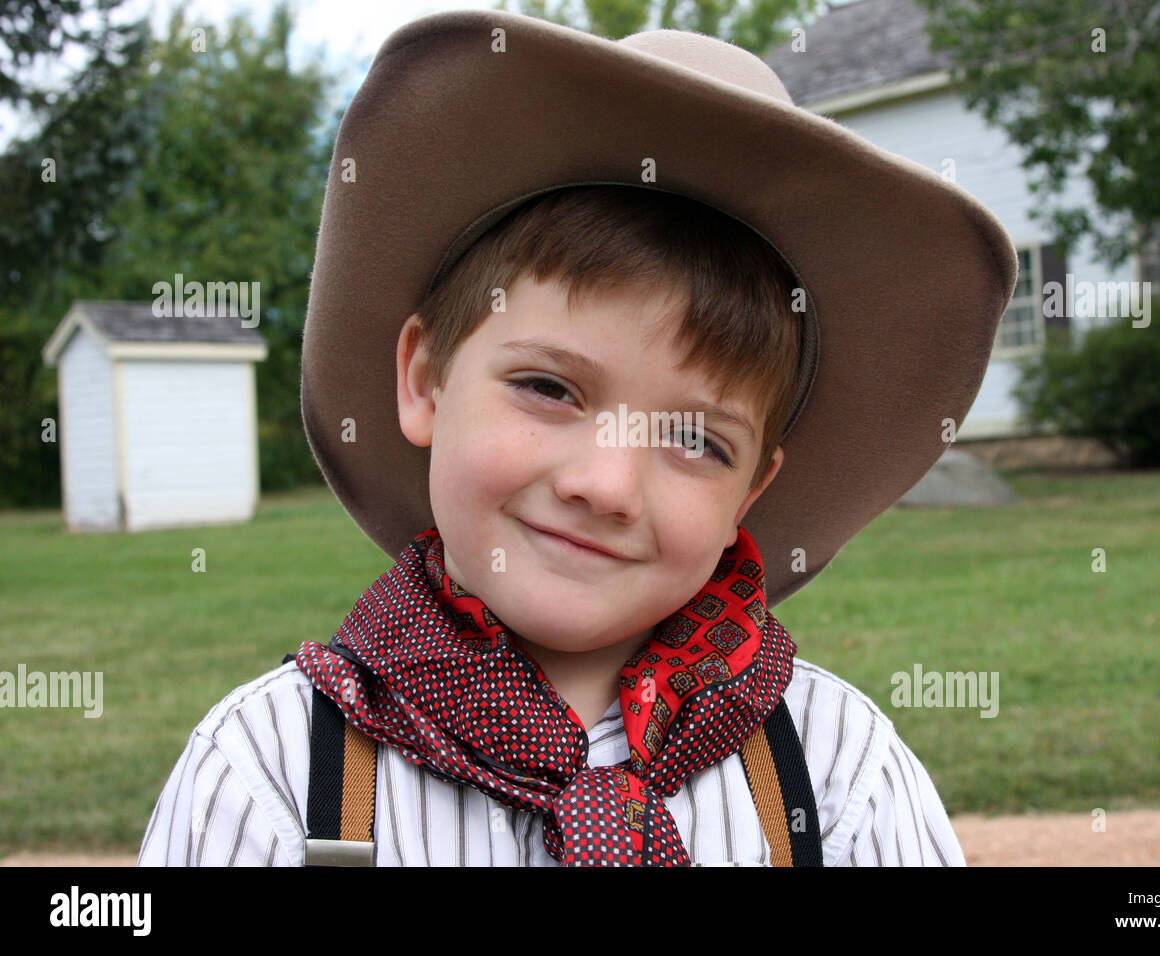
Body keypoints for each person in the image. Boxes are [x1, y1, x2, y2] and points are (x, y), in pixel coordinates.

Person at [138, 9, 1018, 867]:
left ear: (749, 494)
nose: (605, 484)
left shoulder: (837, 774)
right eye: (549, 388)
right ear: (422, 379)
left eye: (694, 441)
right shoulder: (274, 773)